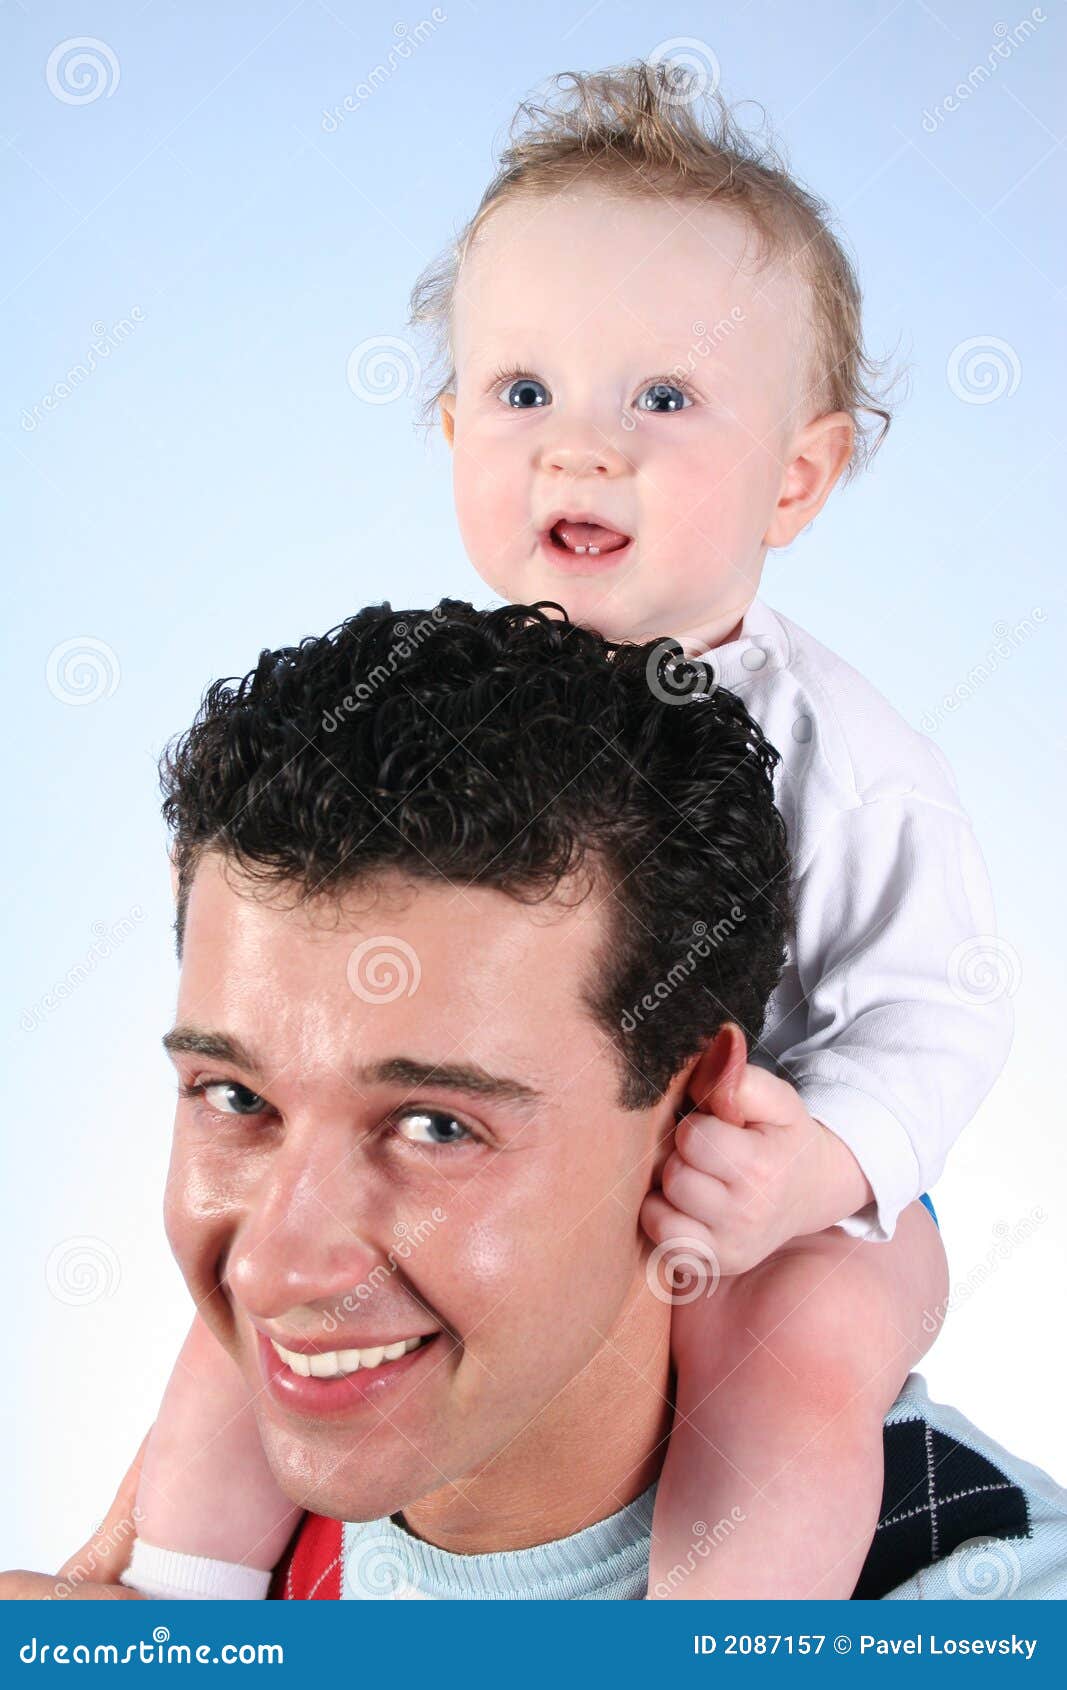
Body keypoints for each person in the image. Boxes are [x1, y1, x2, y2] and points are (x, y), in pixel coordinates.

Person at [128, 63, 1012, 1598]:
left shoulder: (852, 759)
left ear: (796, 473)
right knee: (267, 1290)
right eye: (523, 393)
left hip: (802, 1201)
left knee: (791, 1360)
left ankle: (722, 1634)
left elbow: (941, 1009)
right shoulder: (431, 704)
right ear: (448, 425)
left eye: (660, 399)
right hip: (545, 1201)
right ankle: (168, 1597)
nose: (578, 449)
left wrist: (809, 1166)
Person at [5, 600, 1063, 1603]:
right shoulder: (178, 1594)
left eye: (436, 1125)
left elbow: (934, 1023)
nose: (274, 1268)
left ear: (696, 1110)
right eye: (235, 1095)